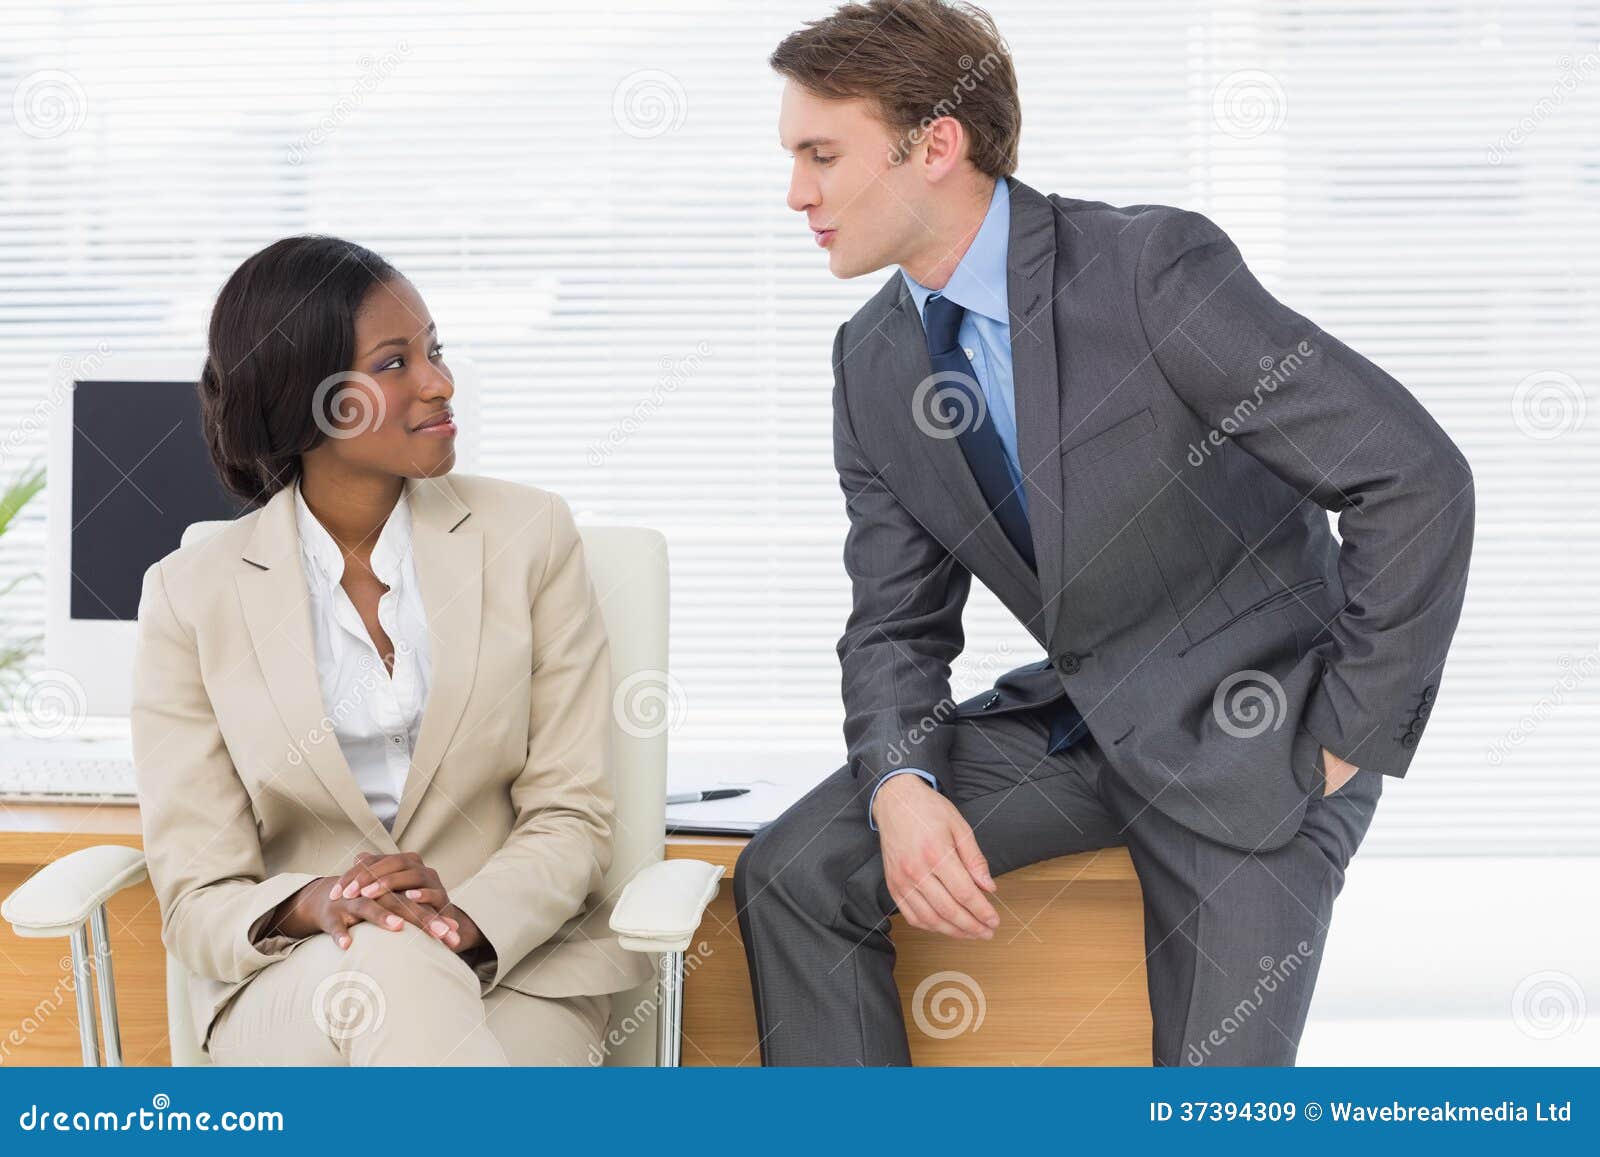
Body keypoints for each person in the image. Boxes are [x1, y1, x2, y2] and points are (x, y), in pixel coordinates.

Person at [736, 0, 1475, 1066]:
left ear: (934, 143)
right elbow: (895, 624)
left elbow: (1413, 478)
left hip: (1260, 733)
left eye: (820, 153)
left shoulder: (1143, 271)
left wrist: (1343, 739)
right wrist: (901, 785)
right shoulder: (873, 360)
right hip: (1078, 720)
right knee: (794, 872)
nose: (796, 191)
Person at [130, 235, 653, 1065]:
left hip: (510, 967)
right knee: (386, 964)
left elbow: (573, 817)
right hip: (291, 986)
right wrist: (317, 901)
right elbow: (199, 894)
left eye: (434, 351)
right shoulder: (191, 595)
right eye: (395, 363)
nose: (441, 382)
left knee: (404, 975)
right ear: (310, 396)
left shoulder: (529, 537)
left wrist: (457, 918)